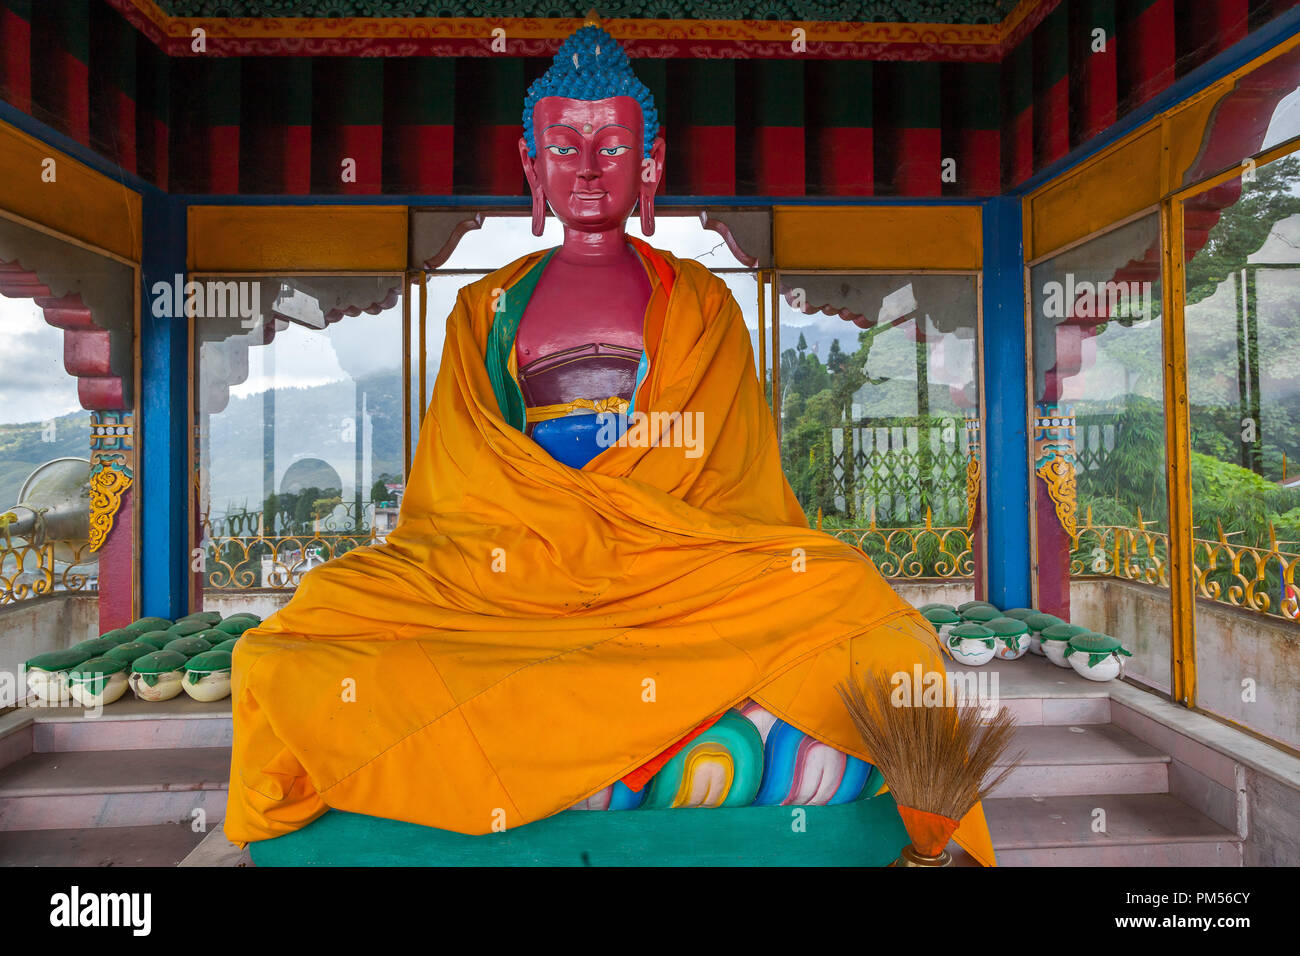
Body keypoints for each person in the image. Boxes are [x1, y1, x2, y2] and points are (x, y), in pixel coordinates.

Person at [224, 24, 993, 866]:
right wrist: (548, 536)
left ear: (650, 164)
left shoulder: (702, 305)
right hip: (509, 568)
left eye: (611, 143)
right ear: (531, 166)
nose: (587, 166)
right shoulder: (485, 309)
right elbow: (458, 490)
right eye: (563, 144)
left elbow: (733, 492)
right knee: (300, 633)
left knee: (867, 615)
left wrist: (638, 541)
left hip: (677, 566)